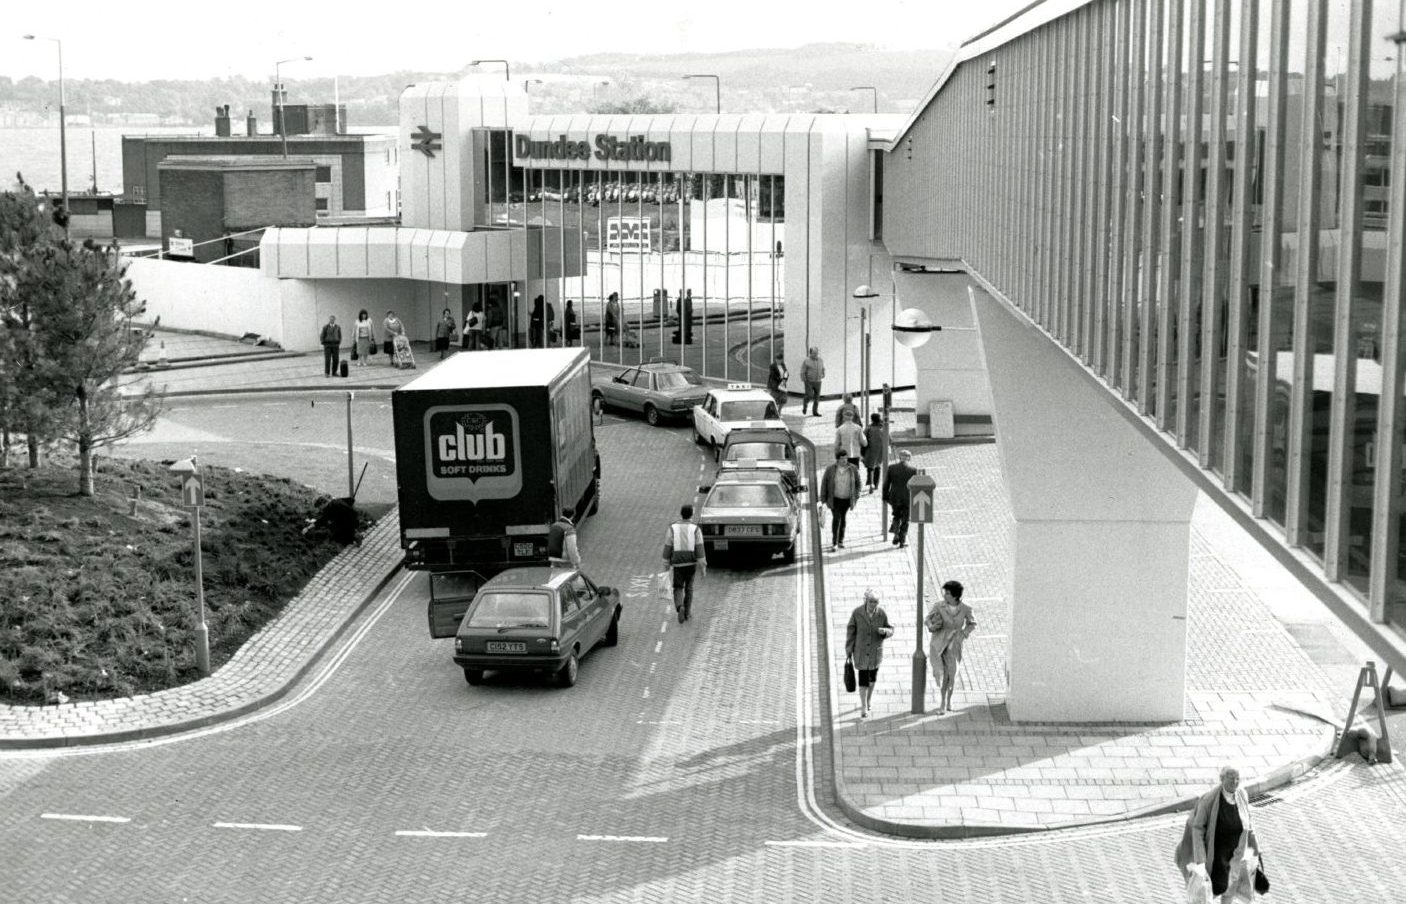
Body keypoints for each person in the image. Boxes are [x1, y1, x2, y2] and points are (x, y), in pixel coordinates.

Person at [1175, 766, 1261, 903]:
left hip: (1234, 857)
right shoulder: (1208, 800)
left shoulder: (1242, 795)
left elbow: (1248, 824)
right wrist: (1201, 861)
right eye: (1231, 778)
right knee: (1211, 892)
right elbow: (1197, 829)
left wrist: (1256, 847)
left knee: (1230, 891)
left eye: (1238, 778)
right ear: (1222, 779)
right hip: (1216, 858)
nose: (1235, 782)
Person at [925, 580, 977, 714]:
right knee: (942, 673)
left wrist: (963, 634)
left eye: (947, 593)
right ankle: (943, 702)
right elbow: (927, 619)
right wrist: (931, 626)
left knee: (951, 674)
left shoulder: (965, 608)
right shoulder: (939, 606)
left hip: (954, 646)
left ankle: (949, 700)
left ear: (955, 596)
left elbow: (972, 623)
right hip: (939, 644)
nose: (944, 596)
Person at [845, 590, 893, 719]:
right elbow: (851, 632)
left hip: (874, 653)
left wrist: (885, 632)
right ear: (866, 600)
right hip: (860, 652)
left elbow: (890, 629)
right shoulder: (857, 613)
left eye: (876, 602)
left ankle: (868, 699)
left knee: (872, 680)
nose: (873, 604)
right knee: (863, 681)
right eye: (871, 601)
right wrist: (849, 649)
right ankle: (863, 706)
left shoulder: (881, 613)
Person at [662, 504, 707, 623]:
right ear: (691, 514)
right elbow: (700, 549)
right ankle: (687, 612)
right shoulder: (696, 529)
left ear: (681, 514)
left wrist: (666, 563)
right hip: (691, 563)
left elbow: (668, 546)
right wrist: (703, 567)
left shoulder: (672, 528)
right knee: (689, 588)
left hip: (677, 564)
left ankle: (679, 607)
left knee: (678, 587)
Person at [819, 448, 861, 550]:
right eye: (842, 459)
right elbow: (824, 484)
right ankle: (834, 543)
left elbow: (858, 483)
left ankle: (841, 540)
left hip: (847, 499)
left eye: (846, 458)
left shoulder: (853, 468)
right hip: (835, 499)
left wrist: (856, 496)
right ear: (837, 459)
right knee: (837, 518)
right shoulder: (830, 469)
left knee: (842, 518)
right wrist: (823, 499)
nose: (844, 461)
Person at [883, 448, 917, 548]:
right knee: (905, 520)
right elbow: (915, 486)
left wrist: (885, 496)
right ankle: (902, 540)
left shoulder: (891, 468)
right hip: (907, 497)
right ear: (909, 458)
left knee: (896, 516)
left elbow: (886, 484)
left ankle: (896, 532)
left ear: (899, 457)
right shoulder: (913, 470)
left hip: (894, 497)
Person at [863, 412, 887, 493]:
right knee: (878, 466)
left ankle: (871, 484)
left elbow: (863, 439)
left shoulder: (869, 428)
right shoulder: (883, 428)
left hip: (870, 450)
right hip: (880, 451)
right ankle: (876, 485)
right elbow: (889, 439)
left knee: (870, 467)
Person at [801, 347, 825, 417]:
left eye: (817, 353)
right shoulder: (806, 361)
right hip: (809, 381)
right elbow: (802, 371)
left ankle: (815, 412)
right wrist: (804, 380)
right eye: (814, 353)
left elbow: (822, 368)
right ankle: (805, 405)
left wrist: (823, 373)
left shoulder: (820, 360)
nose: (816, 355)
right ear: (810, 353)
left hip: (818, 381)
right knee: (810, 395)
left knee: (817, 397)